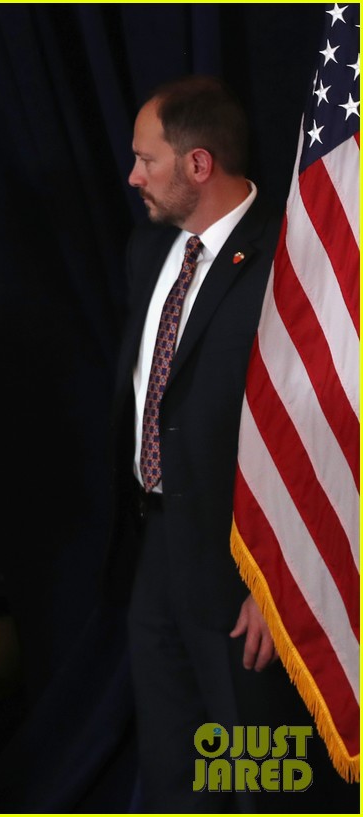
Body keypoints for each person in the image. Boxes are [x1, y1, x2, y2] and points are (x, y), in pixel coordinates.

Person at [109, 76, 355, 810]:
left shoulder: (292, 259)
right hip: (158, 546)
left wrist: (280, 574)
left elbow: (324, 423)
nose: (132, 176)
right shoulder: (147, 250)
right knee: (175, 766)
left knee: (257, 773)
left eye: (146, 159)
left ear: (198, 164)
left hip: (247, 557)